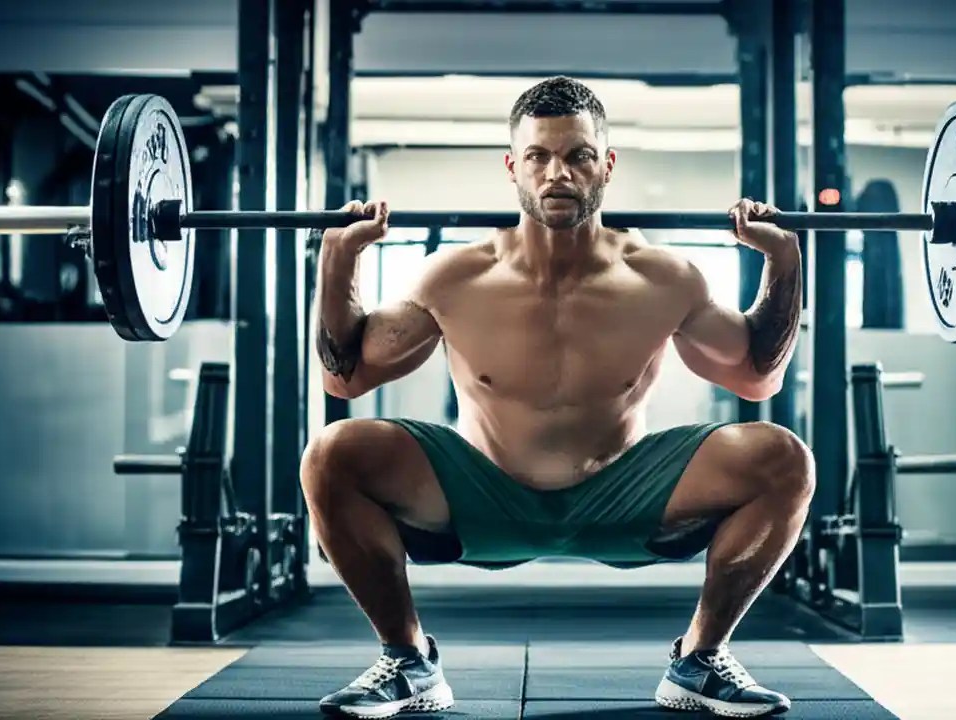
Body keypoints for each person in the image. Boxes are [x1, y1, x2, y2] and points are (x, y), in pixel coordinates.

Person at [301, 76, 814, 719]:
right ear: (513, 168)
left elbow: (756, 376)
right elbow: (344, 378)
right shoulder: (457, 277)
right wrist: (336, 263)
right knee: (333, 453)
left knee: (782, 458)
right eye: (539, 157)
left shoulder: (661, 277)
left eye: (577, 155)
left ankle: (700, 660)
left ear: (607, 164)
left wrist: (784, 262)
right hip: (483, 492)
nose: (558, 174)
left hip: (622, 495)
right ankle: (407, 662)